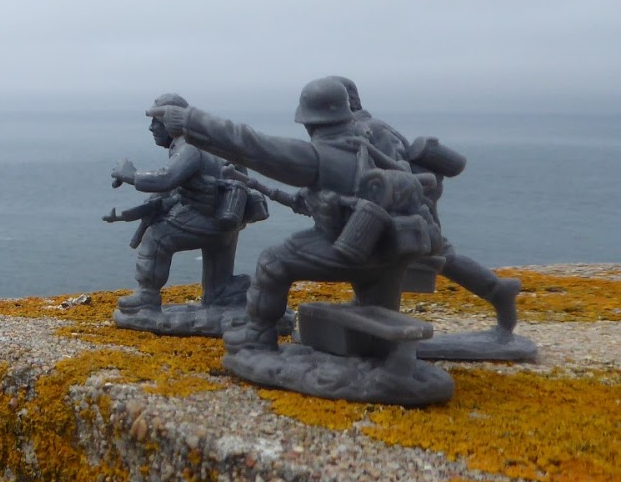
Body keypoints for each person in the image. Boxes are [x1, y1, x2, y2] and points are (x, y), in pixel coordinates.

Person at [145, 77, 442, 352]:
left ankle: (258, 334)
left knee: (273, 262)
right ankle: (382, 358)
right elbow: (302, 201)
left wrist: (190, 121)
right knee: (377, 330)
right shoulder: (368, 151)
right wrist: (254, 184)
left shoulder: (319, 157)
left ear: (310, 121)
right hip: (387, 252)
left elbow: (252, 145)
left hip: (354, 250)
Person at [328, 76, 520, 334]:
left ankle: (497, 291)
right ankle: (368, 305)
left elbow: (399, 173)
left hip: (401, 207)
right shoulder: (360, 129)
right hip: (399, 206)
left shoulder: (370, 130)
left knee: (427, 255)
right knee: (411, 255)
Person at [104, 93, 263, 314]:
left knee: (157, 237)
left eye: (156, 122)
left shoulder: (189, 147)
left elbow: (165, 178)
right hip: (227, 218)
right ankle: (248, 293)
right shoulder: (207, 144)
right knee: (218, 289)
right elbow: (173, 189)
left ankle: (146, 296)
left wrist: (130, 174)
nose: (151, 128)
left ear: (171, 123)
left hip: (208, 216)